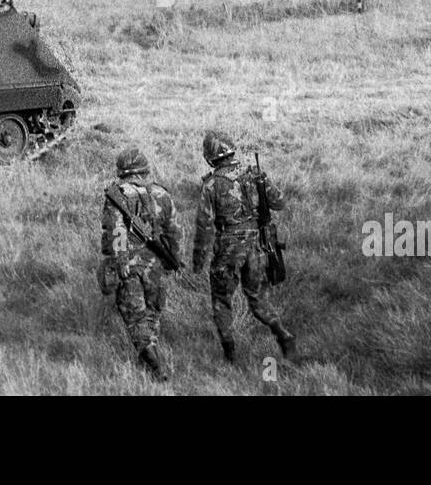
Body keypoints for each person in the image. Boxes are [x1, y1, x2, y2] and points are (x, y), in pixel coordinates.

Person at [191, 130, 296, 363]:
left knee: (221, 300)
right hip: (257, 245)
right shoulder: (255, 174)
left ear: (210, 157)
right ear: (232, 151)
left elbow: (204, 226)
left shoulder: (211, 186)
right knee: (258, 298)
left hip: (229, 247)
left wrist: (198, 260)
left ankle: (230, 355)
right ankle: (284, 336)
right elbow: (279, 202)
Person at [98, 147, 182, 382]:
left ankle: (155, 367)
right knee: (153, 314)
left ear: (122, 171)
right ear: (144, 169)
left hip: (130, 267)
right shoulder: (162, 194)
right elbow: (174, 232)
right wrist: (172, 260)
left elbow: (116, 230)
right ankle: (149, 357)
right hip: (155, 264)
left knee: (135, 318)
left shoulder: (117, 195)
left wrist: (122, 259)